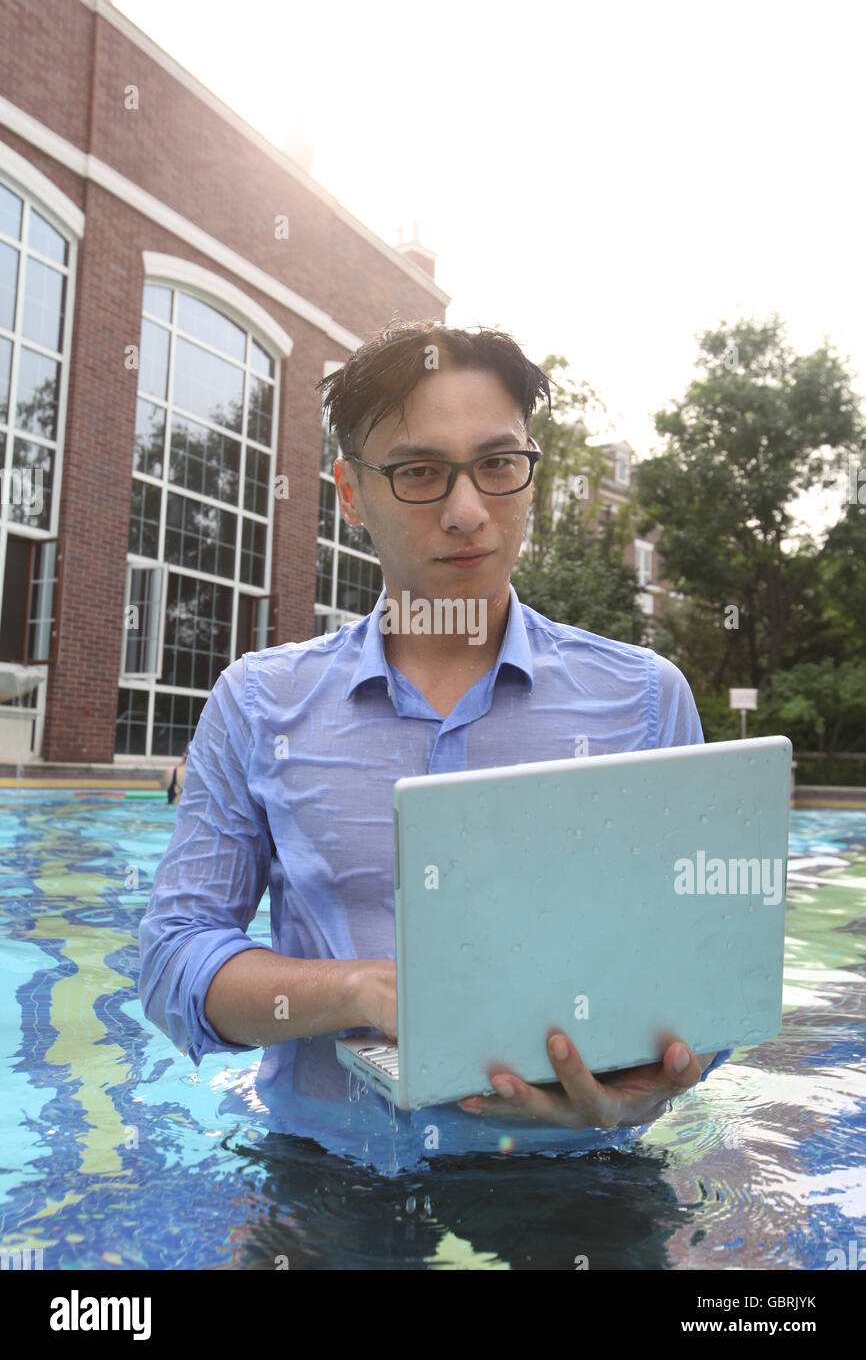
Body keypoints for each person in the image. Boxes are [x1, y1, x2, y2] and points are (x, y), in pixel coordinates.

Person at [138, 321, 731, 1170]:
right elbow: (174, 957)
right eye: (419, 473)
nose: (466, 512)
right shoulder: (259, 703)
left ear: (530, 470)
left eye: (497, 465)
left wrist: (672, 1070)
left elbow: (709, 959)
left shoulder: (642, 701)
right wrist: (356, 989)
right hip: (334, 1163)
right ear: (349, 493)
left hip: (579, 1165)